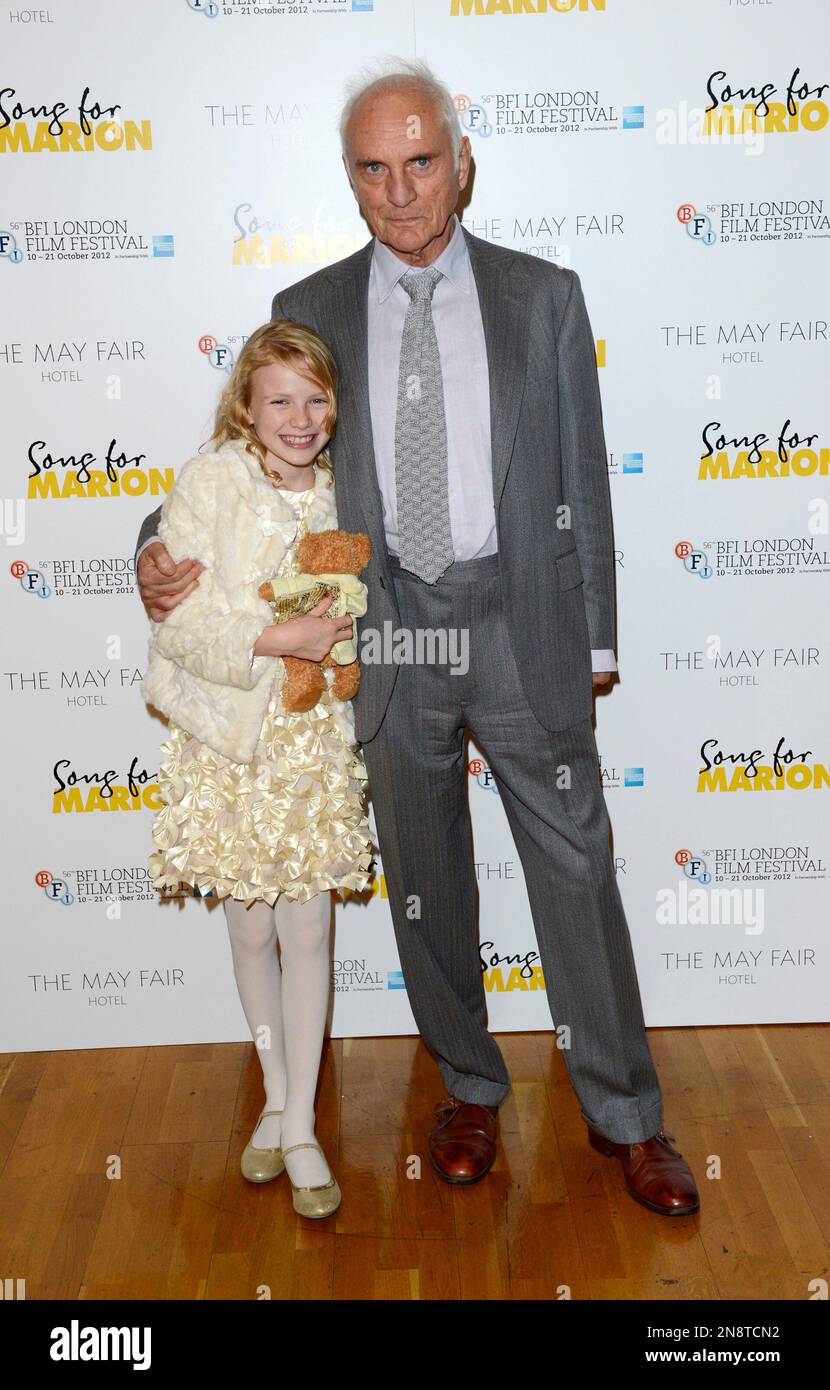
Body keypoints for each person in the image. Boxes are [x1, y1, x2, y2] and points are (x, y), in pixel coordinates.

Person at [135, 58, 699, 1216]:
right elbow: (243, 451)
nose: (399, 191)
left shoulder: (544, 295)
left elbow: (582, 475)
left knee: (575, 873)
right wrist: (153, 545)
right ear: (349, 180)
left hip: (519, 617)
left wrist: (592, 635)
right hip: (385, 636)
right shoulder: (312, 307)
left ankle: (626, 1115)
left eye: (419, 161)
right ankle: (469, 1086)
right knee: (427, 881)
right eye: (372, 169)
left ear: (460, 162)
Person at [141, 319, 375, 1218]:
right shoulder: (210, 482)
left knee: (309, 933)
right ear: (245, 404)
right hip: (230, 744)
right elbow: (185, 623)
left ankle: (303, 1122)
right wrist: (284, 636)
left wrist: (341, 636)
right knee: (248, 934)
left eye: (316, 399)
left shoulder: (347, 486)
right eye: (279, 398)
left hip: (314, 743)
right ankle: (276, 1098)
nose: (300, 416)